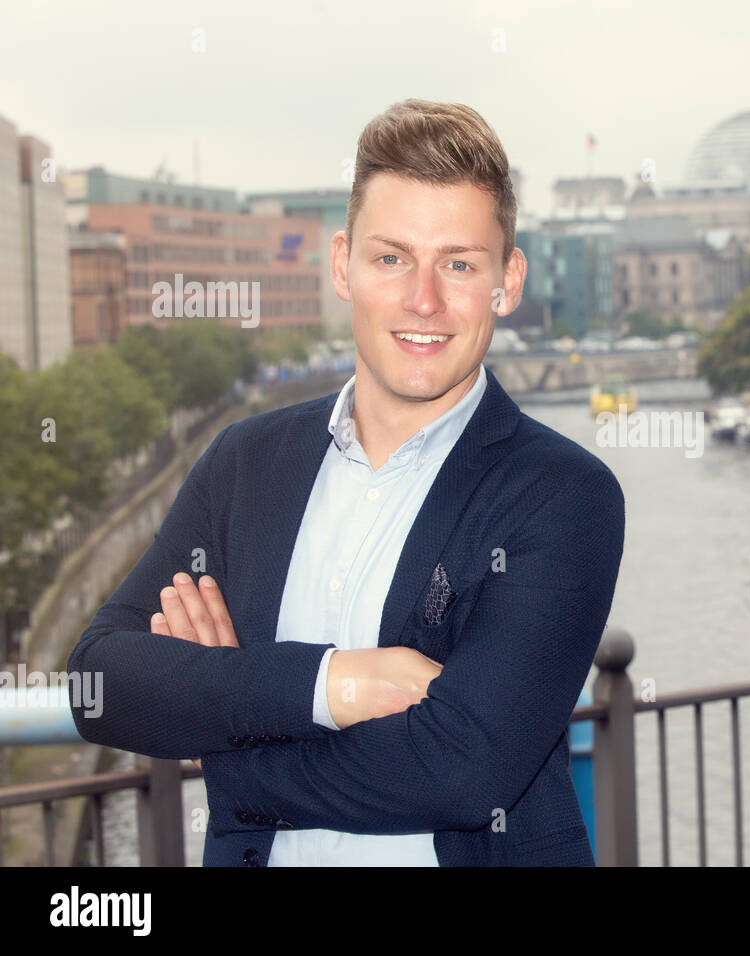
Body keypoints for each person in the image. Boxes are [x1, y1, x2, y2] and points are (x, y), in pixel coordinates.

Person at [67, 100, 626, 867]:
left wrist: (224, 735)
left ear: (509, 281)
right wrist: (335, 684)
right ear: (342, 265)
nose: (423, 299)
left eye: (459, 263)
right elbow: (100, 679)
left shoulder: (562, 495)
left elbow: (463, 771)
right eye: (392, 257)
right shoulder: (246, 463)